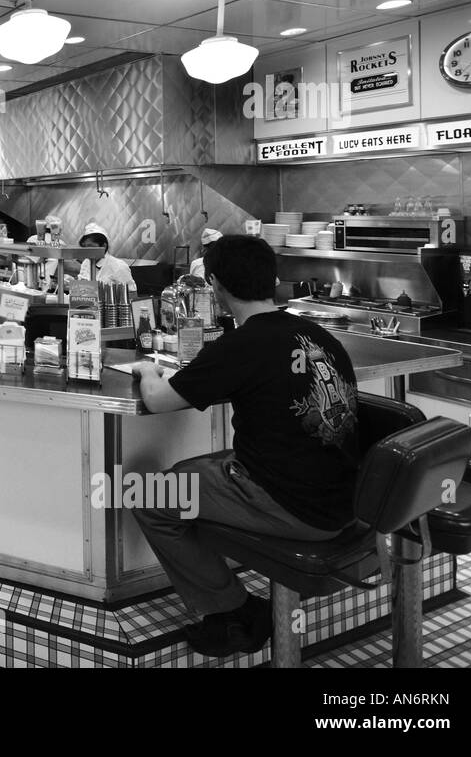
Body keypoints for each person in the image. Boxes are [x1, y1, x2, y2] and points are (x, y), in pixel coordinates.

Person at [130, 235, 360, 656]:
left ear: (214, 285)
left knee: (148, 495)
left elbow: (159, 400)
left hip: (290, 504)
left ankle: (234, 612)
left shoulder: (240, 345)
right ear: (272, 279)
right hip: (348, 499)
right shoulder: (318, 336)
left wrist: (148, 371)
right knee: (199, 470)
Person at [74, 222, 136, 292]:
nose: (87, 250)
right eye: (84, 247)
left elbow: (131, 293)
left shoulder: (118, 266)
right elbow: (83, 288)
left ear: (103, 246)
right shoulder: (86, 262)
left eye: (90, 246)